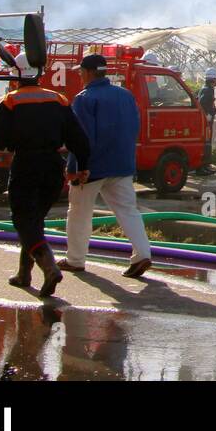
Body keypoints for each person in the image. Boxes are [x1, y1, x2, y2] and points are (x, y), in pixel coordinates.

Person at [0, 45, 91, 298]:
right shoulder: (59, 99)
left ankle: (48, 265)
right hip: (53, 166)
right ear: (39, 73)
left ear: (16, 74)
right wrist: (83, 167)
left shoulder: (10, 102)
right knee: (34, 221)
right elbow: (79, 138)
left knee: (23, 219)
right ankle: (24, 273)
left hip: (26, 164)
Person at [61, 53, 154, 278]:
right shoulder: (125, 95)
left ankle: (75, 259)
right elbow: (134, 128)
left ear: (90, 73)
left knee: (79, 213)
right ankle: (143, 254)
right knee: (128, 211)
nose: (80, 75)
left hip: (91, 167)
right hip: (121, 164)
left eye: (81, 71)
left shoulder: (84, 98)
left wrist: (76, 167)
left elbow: (81, 137)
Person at [198, 68, 216, 172]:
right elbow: (202, 103)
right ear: (214, 79)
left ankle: (205, 165)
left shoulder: (206, 89)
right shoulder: (207, 90)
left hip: (206, 121)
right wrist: (207, 114)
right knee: (206, 143)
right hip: (206, 122)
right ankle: (203, 166)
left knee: (206, 142)